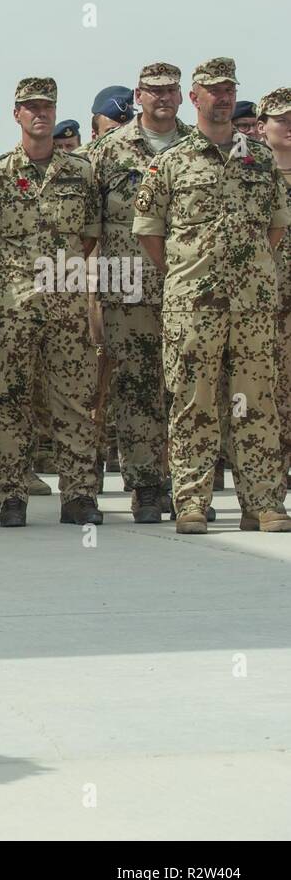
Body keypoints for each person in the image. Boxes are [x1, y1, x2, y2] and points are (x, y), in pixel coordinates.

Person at [132, 58, 291, 534]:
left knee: (256, 401)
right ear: (194, 98)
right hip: (191, 306)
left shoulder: (259, 160)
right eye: (213, 91)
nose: (223, 98)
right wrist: (188, 273)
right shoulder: (171, 161)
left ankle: (261, 503)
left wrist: (247, 270)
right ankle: (193, 502)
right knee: (191, 403)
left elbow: (277, 227)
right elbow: (149, 232)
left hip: (253, 306)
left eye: (229, 91)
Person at [0, 77, 104, 528]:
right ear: (17, 114)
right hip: (13, 308)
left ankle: (80, 495)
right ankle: (11, 496)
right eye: (31, 106)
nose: (40, 114)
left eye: (47, 106)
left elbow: (87, 237)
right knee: (9, 400)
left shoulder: (81, 173)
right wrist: (21, 275)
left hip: (67, 307)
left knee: (74, 401)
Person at [84, 62, 192, 524]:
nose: (163, 98)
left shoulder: (198, 146)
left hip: (186, 284)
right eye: (154, 91)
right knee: (135, 387)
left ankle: (184, 484)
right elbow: (85, 226)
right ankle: (147, 486)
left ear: (183, 97)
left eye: (171, 91)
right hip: (126, 284)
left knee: (184, 386)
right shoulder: (108, 152)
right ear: (138, 95)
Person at [256, 88, 291, 495]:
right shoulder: (252, 173)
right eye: (283, 120)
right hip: (265, 303)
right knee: (268, 395)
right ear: (263, 127)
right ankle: (271, 486)